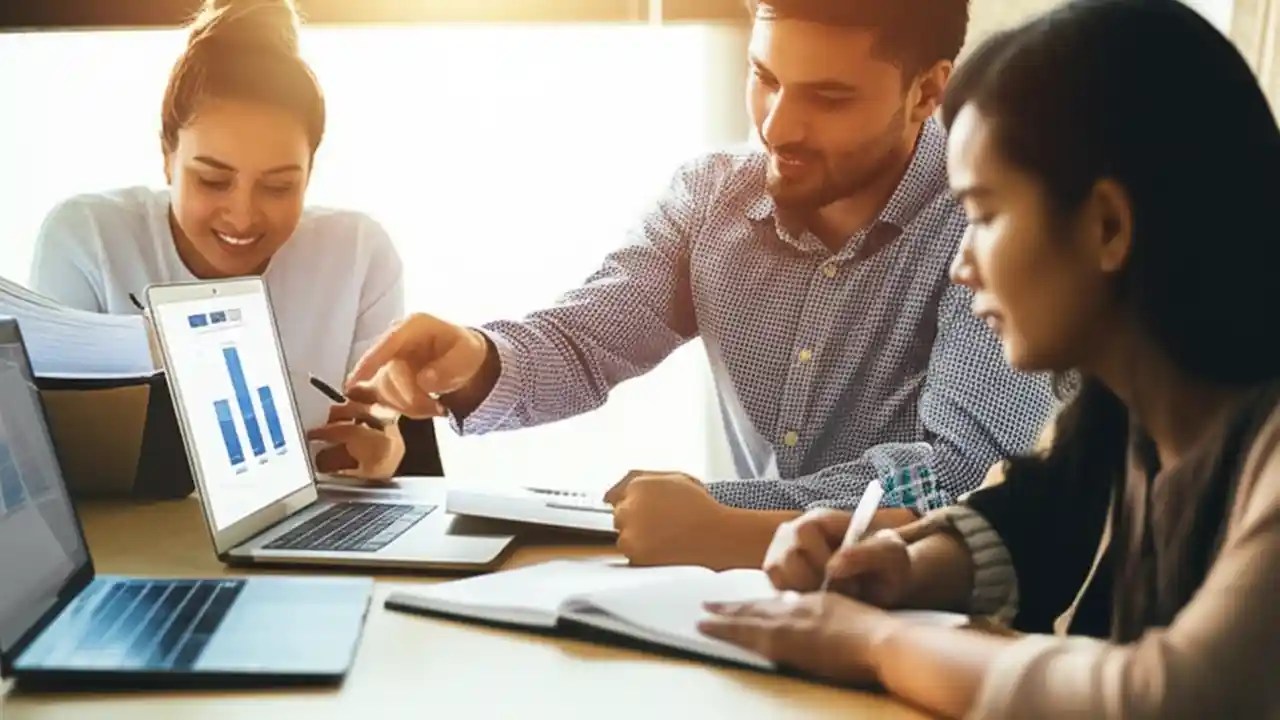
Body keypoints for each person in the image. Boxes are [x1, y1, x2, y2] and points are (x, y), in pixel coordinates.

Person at [698, 1, 1280, 717]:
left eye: (983, 214)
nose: (963, 264)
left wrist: (875, 643)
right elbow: (1043, 514)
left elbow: (1173, 695)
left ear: (1107, 226)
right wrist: (906, 566)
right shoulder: (1134, 411)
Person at [342, 0, 1056, 569]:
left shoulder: (988, 225)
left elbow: (962, 474)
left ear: (926, 90)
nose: (779, 127)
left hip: (932, 620)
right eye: (765, 77)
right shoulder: (711, 197)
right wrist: (476, 361)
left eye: (828, 98)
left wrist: (720, 517)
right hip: (750, 613)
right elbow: (589, 339)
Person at [27, 0, 439, 480]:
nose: (242, 216)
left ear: (310, 173)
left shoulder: (359, 254)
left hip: (303, 531)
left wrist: (385, 453)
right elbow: (54, 456)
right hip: (134, 543)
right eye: (212, 181)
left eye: (279, 186)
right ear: (168, 157)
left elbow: (382, 426)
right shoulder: (88, 240)